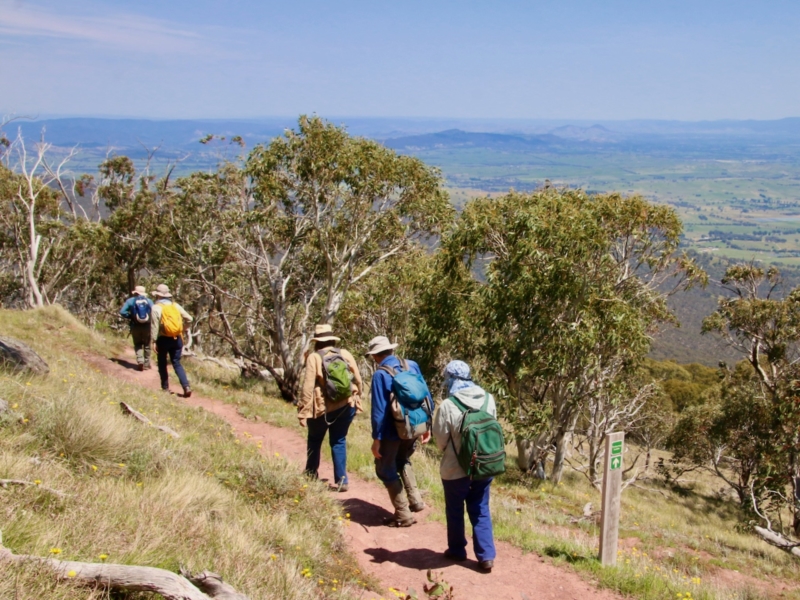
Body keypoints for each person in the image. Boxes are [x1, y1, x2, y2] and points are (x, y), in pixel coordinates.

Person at [432, 360, 497, 572]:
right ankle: (486, 556)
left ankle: (457, 551)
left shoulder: (448, 405)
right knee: (480, 508)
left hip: (454, 469)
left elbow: (440, 441)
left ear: (449, 379)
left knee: (454, 509)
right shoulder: (489, 399)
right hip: (484, 467)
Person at [367, 335, 431, 527]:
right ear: (391, 350)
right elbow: (427, 396)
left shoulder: (380, 374)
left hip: (391, 431)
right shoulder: (411, 365)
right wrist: (427, 426)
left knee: (385, 469)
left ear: (375, 356)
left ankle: (403, 514)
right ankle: (416, 501)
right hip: (414, 425)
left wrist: (376, 439)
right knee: (403, 459)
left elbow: (379, 410)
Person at [297, 324, 363, 491]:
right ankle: (342, 481)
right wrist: (357, 397)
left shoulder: (314, 357)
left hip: (322, 407)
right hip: (346, 405)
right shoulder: (344, 353)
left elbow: (307, 386)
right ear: (333, 339)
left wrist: (303, 411)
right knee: (339, 440)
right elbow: (358, 379)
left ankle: (311, 474)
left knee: (314, 440)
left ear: (317, 341)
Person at [150, 284, 193, 397]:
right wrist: (183, 329)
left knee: (162, 363)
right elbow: (190, 319)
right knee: (176, 363)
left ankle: (165, 388)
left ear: (158, 295)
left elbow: (154, 326)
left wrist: (153, 341)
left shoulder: (156, 308)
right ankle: (186, 386)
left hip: (163, 339)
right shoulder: (176, 306)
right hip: (176, 338)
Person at [118, 285, 153, 371]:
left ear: (135, 292)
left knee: (138, 344)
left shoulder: (130, 301)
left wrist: (131, 316)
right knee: (147, 345)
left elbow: (122, 312)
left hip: (135, 325)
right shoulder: (149, 301)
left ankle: (140, 361)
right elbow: (154, 312)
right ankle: (147, 364)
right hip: (147, 326)